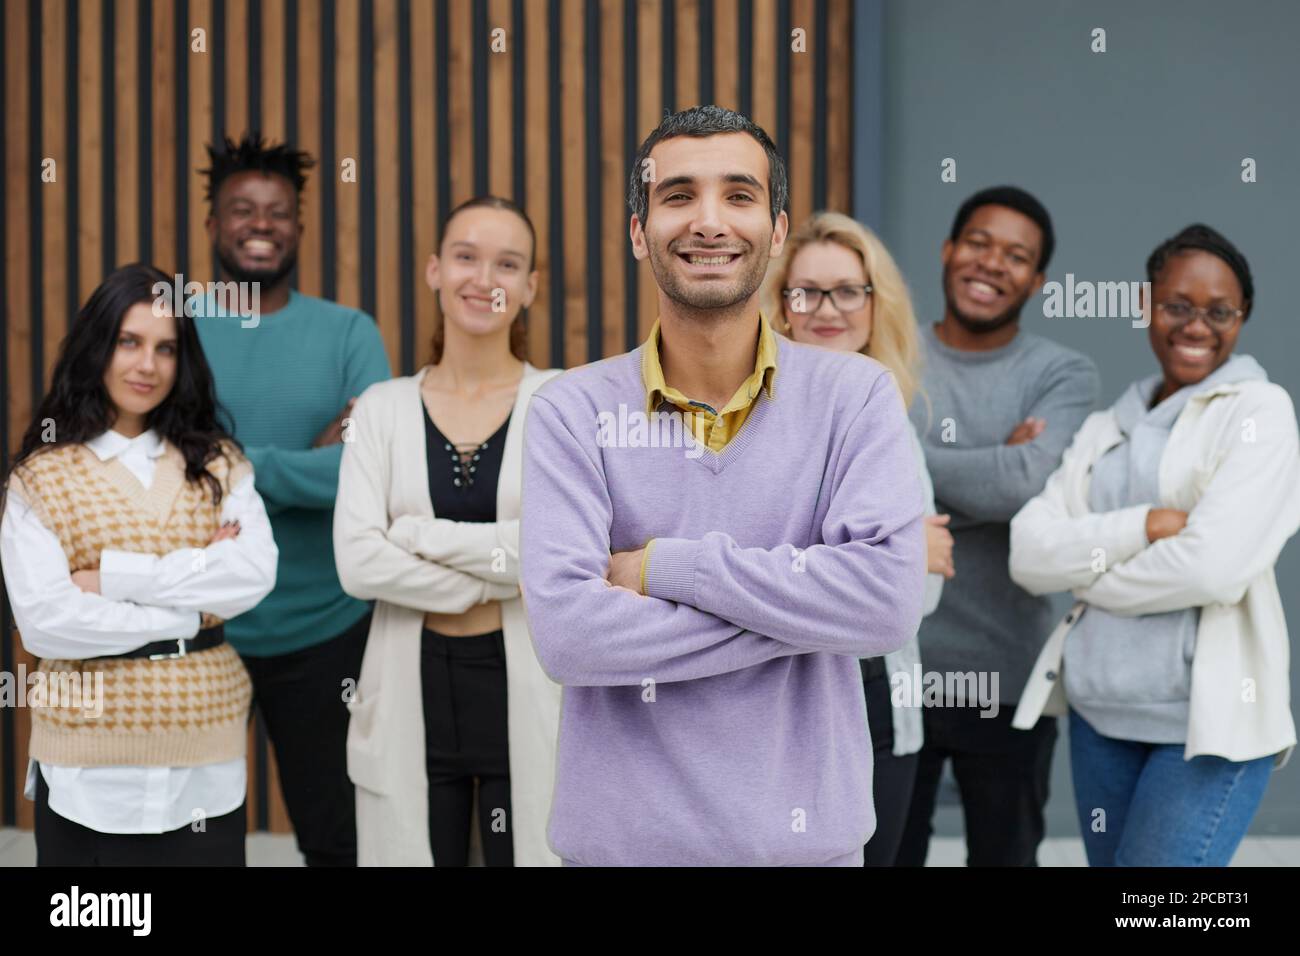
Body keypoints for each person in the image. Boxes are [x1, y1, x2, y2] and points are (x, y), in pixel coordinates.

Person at [519, 105, 927, 867]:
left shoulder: (857, 398)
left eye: (738, 196)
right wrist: (808, 611)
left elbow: (886, 605)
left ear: (777, 232)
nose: (709, 221)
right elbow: (571, 637)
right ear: (639, 231)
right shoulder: (571, 411)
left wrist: (670, 567)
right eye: (678, 196)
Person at [1009, 224, 1300, 866]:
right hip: (1098, 715)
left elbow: (1214, 568)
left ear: (1242, 317)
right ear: (1146, 306)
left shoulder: (1258, 412)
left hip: (1204, 727)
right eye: (1177, 306)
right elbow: (1028, 554)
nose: (1197, 325)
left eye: (1219, 311)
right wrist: (1141, 526)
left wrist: (1088, 578)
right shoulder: (1106, 425)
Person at [0, 263, 277, 866]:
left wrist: (115, 580)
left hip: (205, 756)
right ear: (97, 346)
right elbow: (47, 622)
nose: (146, 365)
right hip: (85, 771)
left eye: (165, 348)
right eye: (129, 342)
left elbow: (253, 574)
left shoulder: (219, 462)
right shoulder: (42, 477)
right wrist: (189, 606)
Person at [334, 196, 563, 866]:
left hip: (521, 684)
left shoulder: (559, 404)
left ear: (529, 287)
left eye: (507, 263)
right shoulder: (381, 410)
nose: (483, 277)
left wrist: (417, 535)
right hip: (411, 683)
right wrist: (496, 578)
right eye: (465, 256)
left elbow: (562, 554)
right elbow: (357, 564)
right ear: (435, 270)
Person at [193, 133, 392, 866]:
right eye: (242, 209)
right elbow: (165, 475)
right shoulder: (176, 333)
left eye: (278, 211)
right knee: (198, 837)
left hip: (325, 632)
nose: (261, 224)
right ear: (213, 225)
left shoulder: (347, 332)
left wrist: (232, 460)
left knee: (337, 837)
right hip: (201, 627)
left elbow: (369, 473)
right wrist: (305, 458)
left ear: (300, 227)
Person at [896, 186, 1100, 867]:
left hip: (1011, 673)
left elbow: (1024, 486)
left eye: (1017, 256)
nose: (992, 264)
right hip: (897, 665)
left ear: (1038, 281)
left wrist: (906, 470)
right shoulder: (891, 358)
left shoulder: (1063, 373)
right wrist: (999, 464)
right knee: (887, 856)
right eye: (979, 243)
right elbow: (848, 491)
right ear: (949, 250)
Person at [763, 210, 951, 866]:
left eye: (848, 290)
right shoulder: (751, 416)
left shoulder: (892, 418)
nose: (826, 309)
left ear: (876, 305)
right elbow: (742, 564)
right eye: (806, 290)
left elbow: (920, 594)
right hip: (787, 702)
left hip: (884, 701)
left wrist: (877, 567)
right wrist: (884, 558)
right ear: (782, 306)